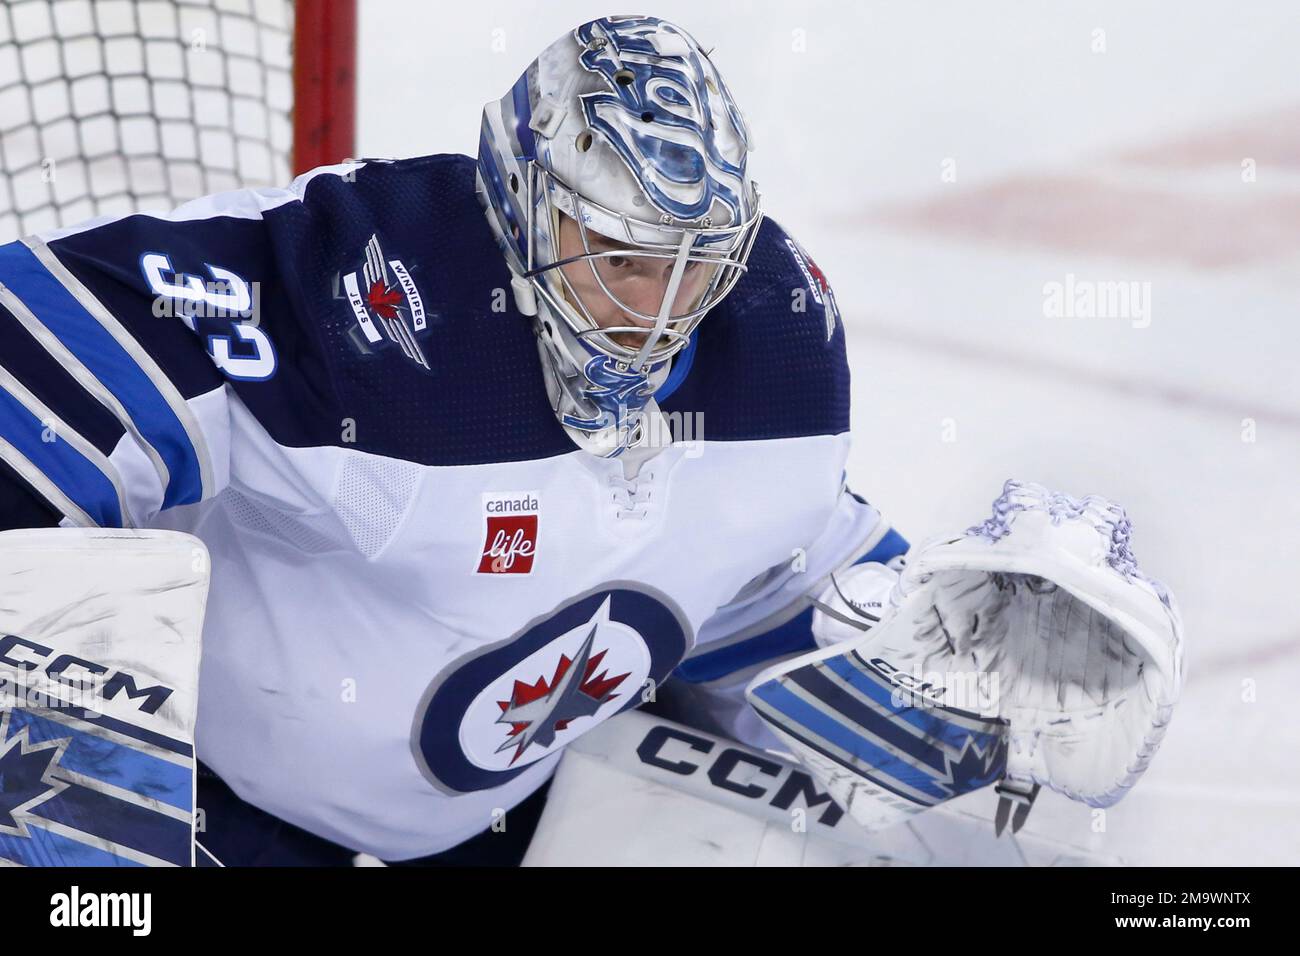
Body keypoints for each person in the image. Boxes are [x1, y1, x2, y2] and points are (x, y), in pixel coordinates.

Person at [0, 16, 1181, 866]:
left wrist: (949, 663)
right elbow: (37, 354)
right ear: (519, 200)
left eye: (692, 268)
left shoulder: (776, 352)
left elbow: (750, 578)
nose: (658, 311)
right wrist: (49, 706)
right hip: (217, 816)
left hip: (509, 823)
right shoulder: (369, 301)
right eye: (619, 256)